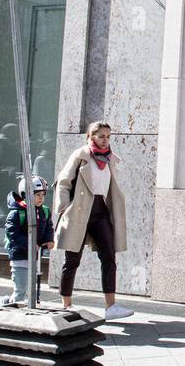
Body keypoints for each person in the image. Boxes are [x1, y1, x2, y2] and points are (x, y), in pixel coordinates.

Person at [55, 121, 134, 320]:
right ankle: (66, 304)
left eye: (108, 136)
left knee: (109, 257)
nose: (105, 140)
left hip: (100, 210)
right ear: (90, 137)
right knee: (72, 259)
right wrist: (64, 209)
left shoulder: (109, 159)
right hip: (80, 211)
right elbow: (64, 182)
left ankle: (111, 306)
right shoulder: (80, 156)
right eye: (101, 136)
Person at [2, 175, 55, 305]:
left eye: (43, 194)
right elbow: (12, 233)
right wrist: (29, 244)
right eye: (37, 195)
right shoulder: (17, 213)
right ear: (25, 194)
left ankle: (18, 304)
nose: (41, 198)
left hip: (35, 257)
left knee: (32, 289)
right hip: (20, 256)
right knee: (20, 289)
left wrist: (49, 239)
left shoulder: (44, 211)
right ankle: (12, 305)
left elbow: (49, 226)